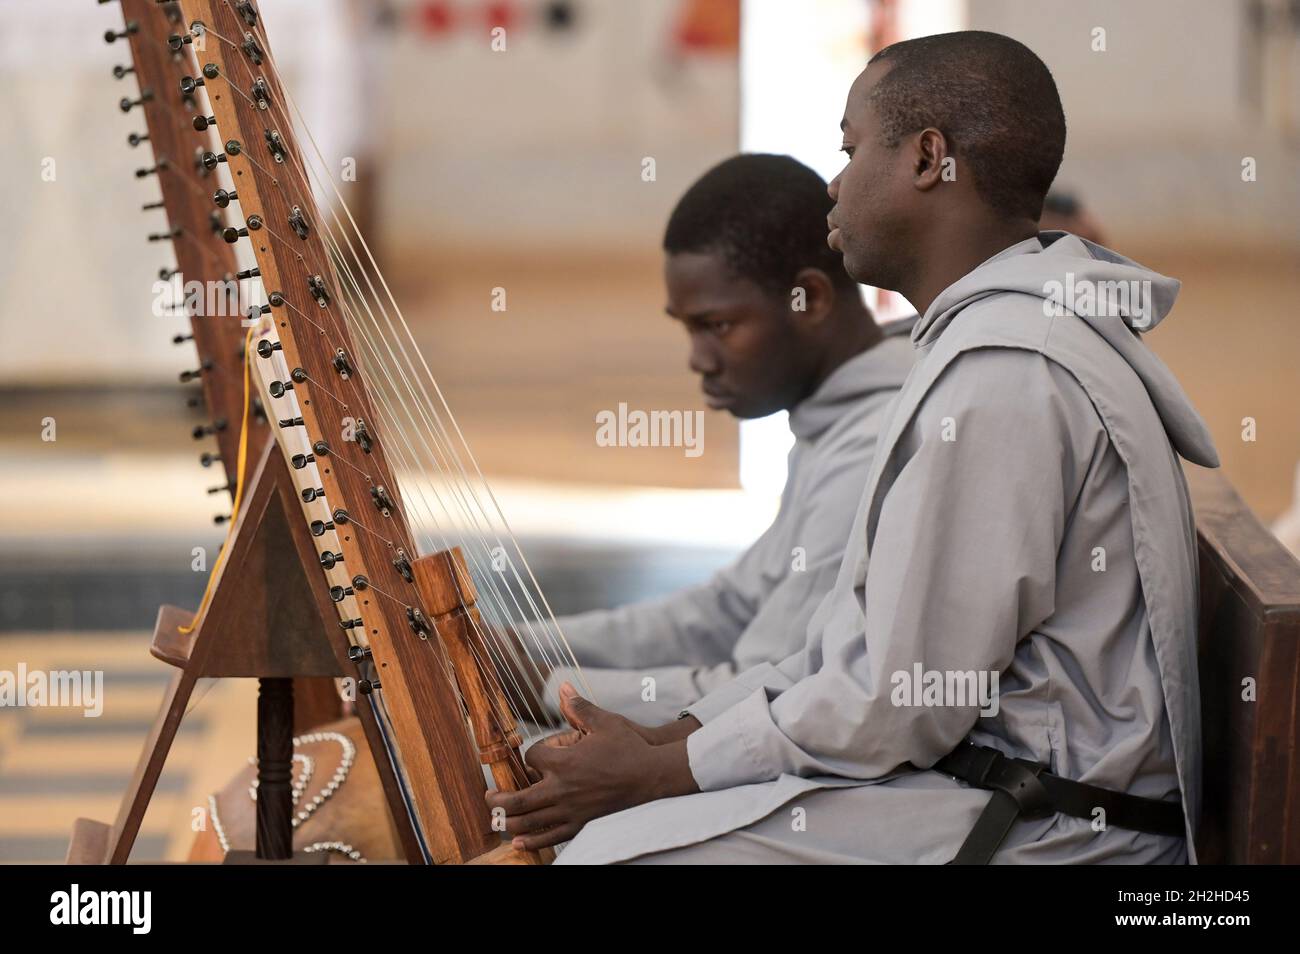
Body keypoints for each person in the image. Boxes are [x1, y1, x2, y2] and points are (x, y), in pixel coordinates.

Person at [488, 30, 1219, 865]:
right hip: (984, 783)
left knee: (600, 857)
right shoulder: (984, 345)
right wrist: (675, 742)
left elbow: (897, 704)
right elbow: (843, 650)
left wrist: (666, 770)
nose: (834, 185)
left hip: (1055, 829)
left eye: (851, 148)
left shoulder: (1006, 375)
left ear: (927, 158)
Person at [521, 154, 914, 724]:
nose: (698, 360)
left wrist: (544, 688)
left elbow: (767, 691)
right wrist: (522, 649)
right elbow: (727, 609)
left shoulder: (870, 442)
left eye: (718, 326)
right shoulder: (831, 421)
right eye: (687, 327)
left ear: (812, 299)